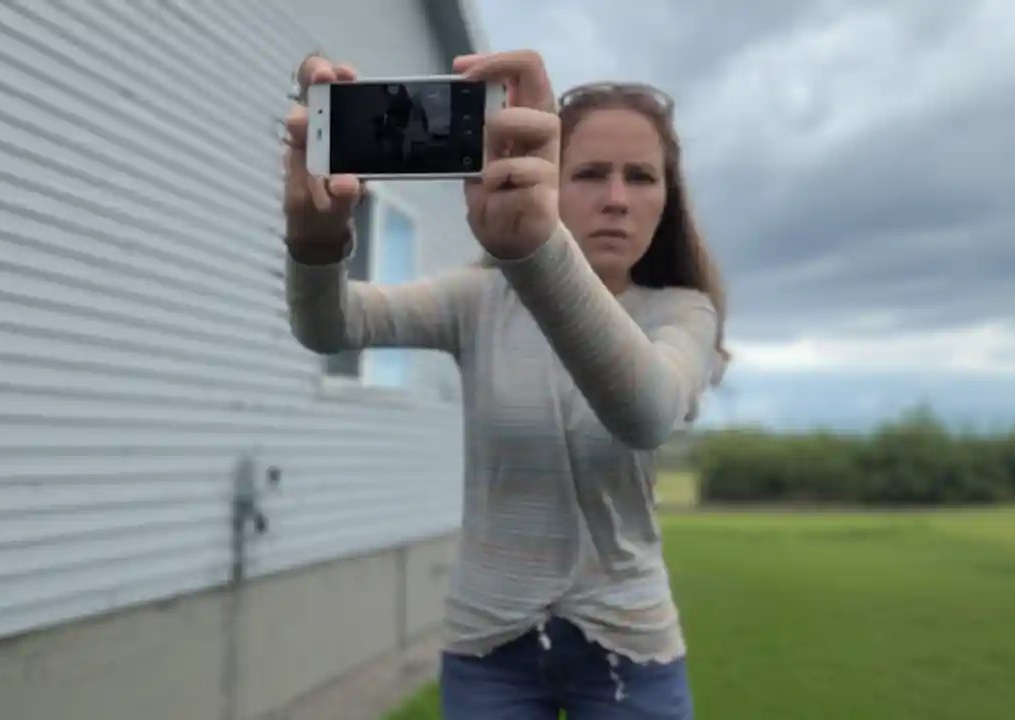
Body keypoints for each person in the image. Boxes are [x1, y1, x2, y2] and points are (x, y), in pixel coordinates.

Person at [281, 49, 727, 719]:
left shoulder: (681, 312)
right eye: (589, 173)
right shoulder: (478, 300)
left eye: (640, 177)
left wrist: (534, 249)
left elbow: (646, 413)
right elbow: (331, 325)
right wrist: (315, 243)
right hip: (488, 641)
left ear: (668, 198)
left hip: (630, 639)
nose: (615, 198)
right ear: (547, 174)